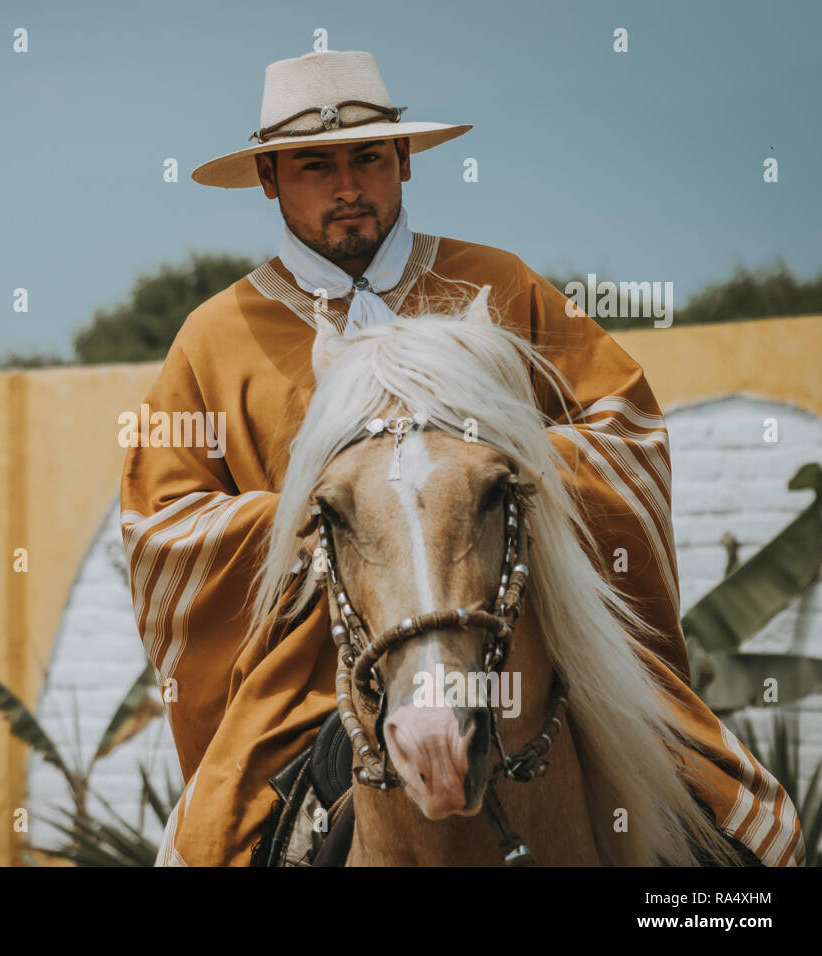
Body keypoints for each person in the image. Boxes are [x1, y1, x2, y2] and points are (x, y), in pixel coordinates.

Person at [118, 48, 803, 866]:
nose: (347, 187)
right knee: (203, 849)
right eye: (313, 166)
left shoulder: (502, 286)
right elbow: (165, 526)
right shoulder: (212, 337)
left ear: (403, 159)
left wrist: (512, 484)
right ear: (269, 179)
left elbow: (626, 432)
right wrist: (317, 525)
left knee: (754, 832)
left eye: (368, 158)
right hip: (312, 680)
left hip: (525, 645)